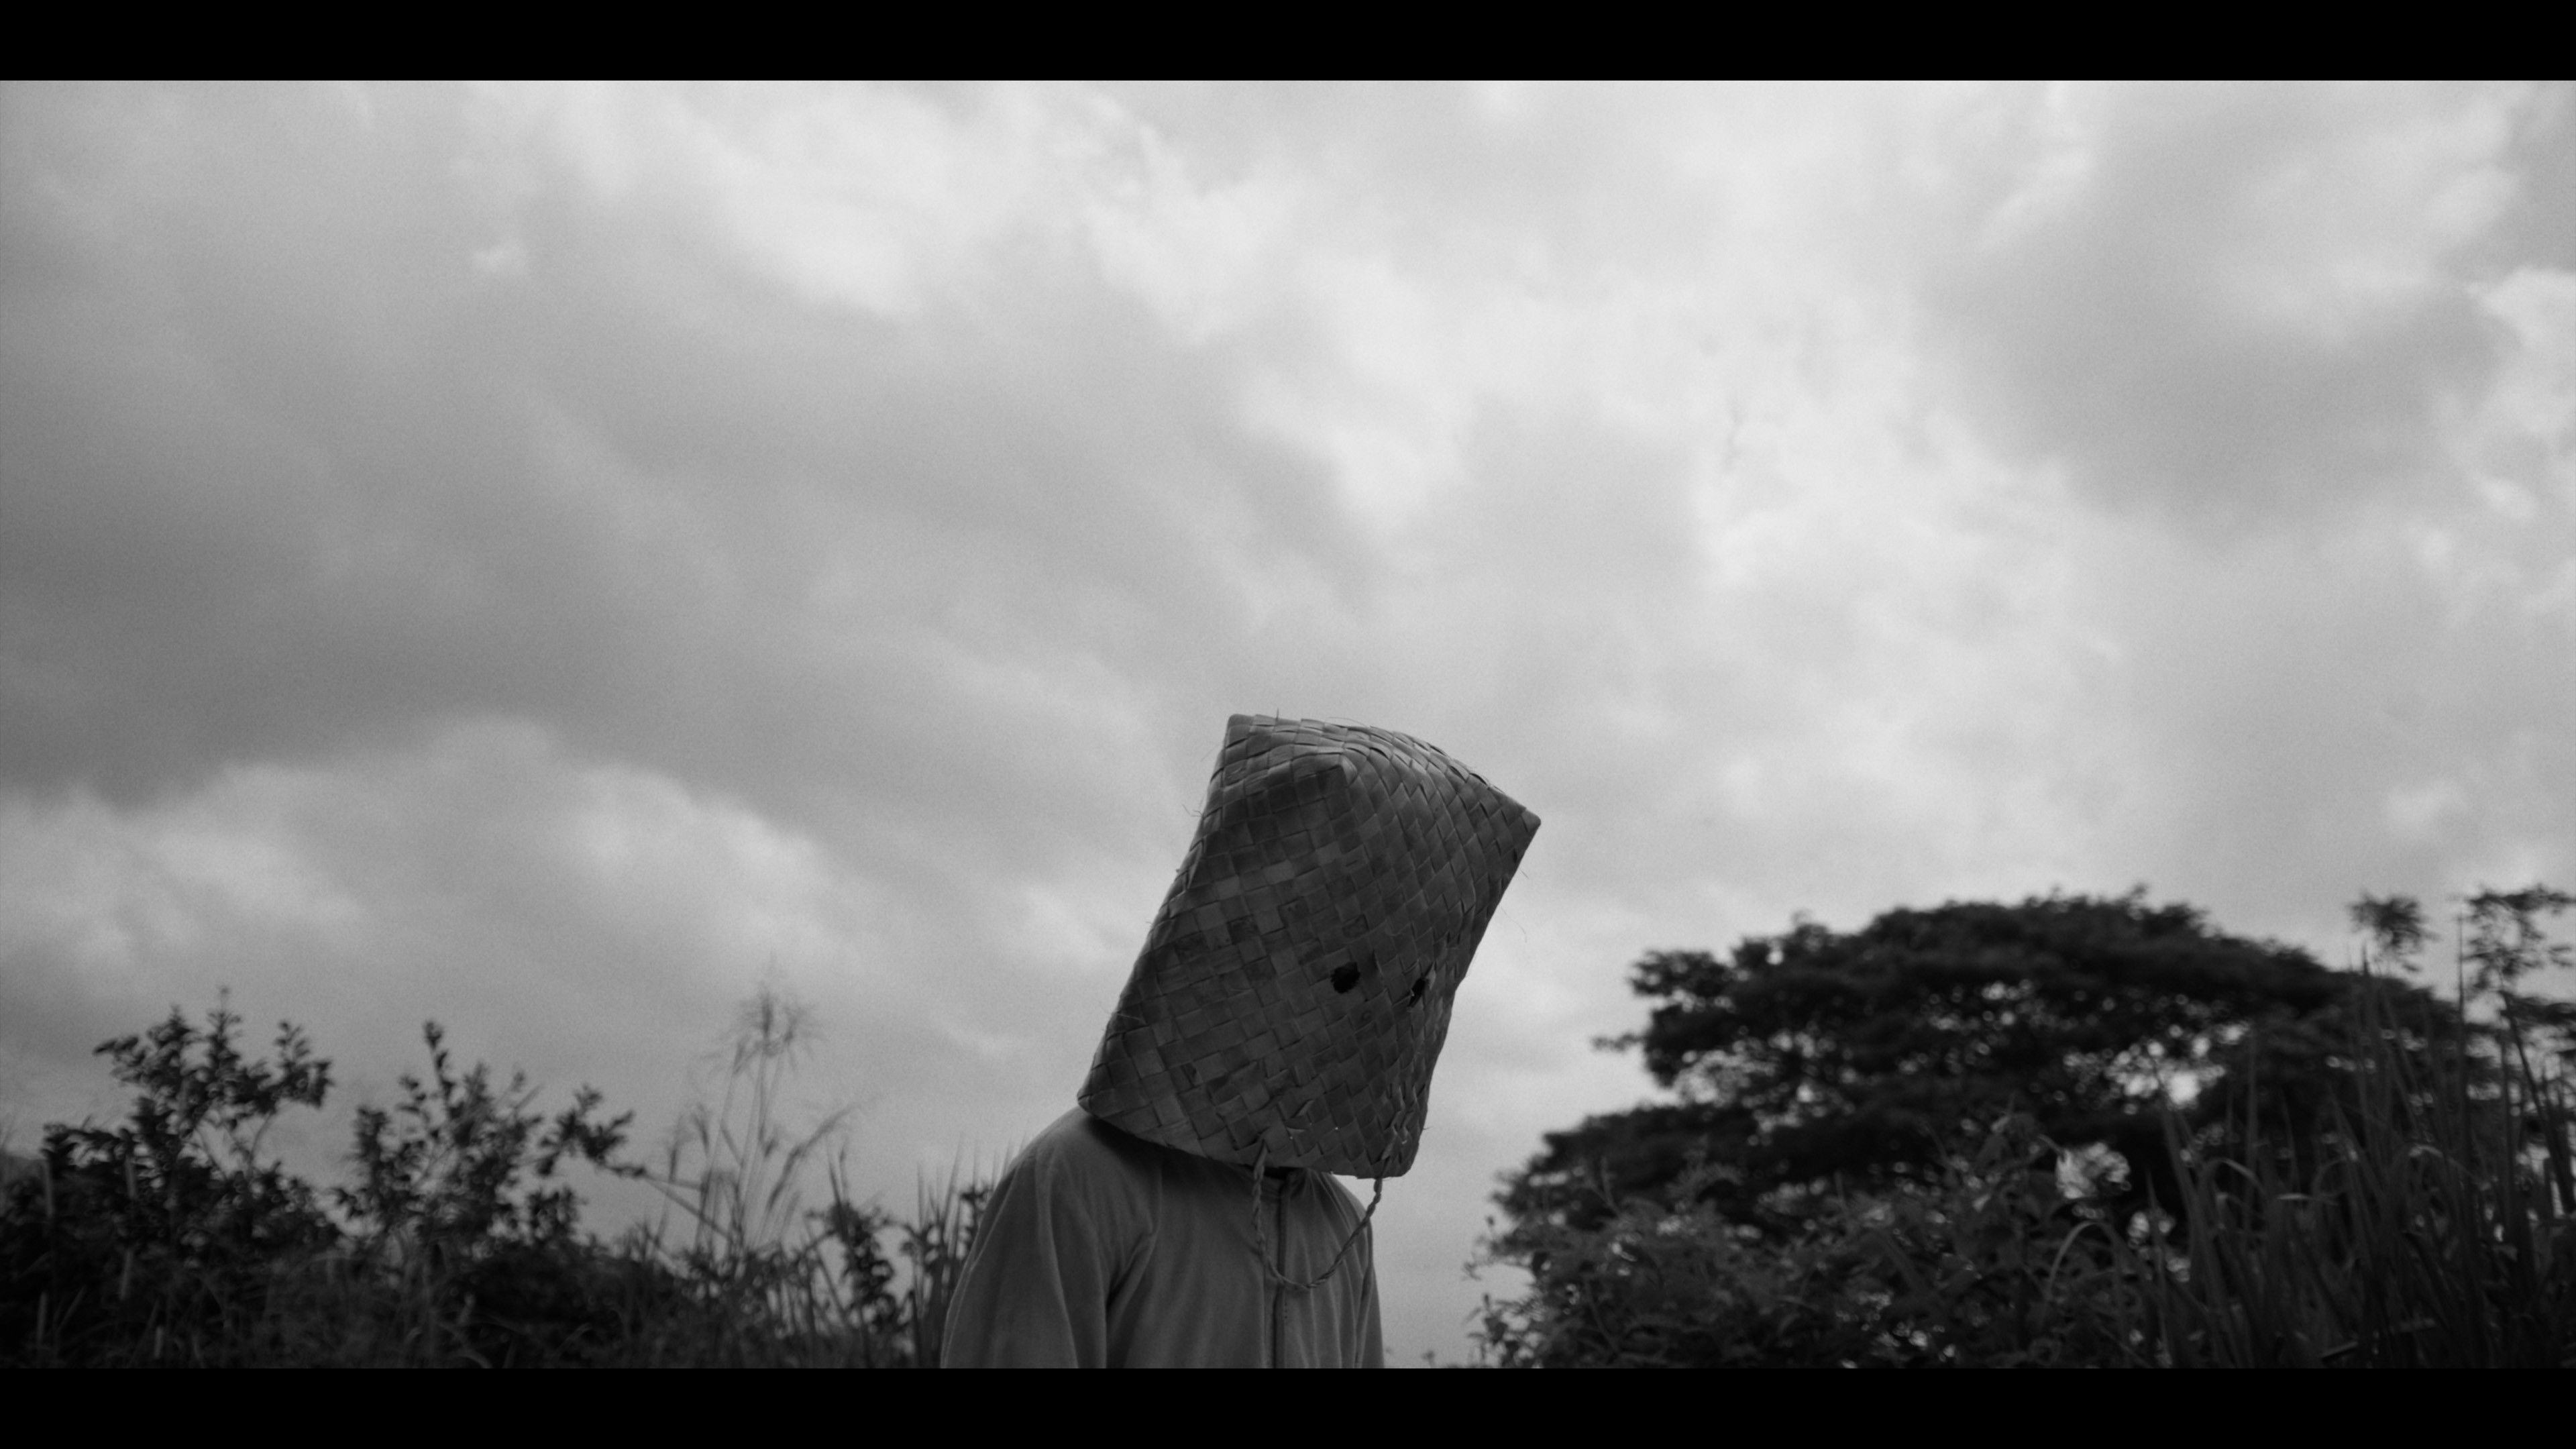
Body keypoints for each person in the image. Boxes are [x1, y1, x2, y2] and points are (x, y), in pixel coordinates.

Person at [941, 714, 1540, 1368]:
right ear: (1239, 967)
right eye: (1342, 978)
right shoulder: (1085, 1180)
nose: (1371, 1017)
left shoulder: (1339, 1229)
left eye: (1411, 990)